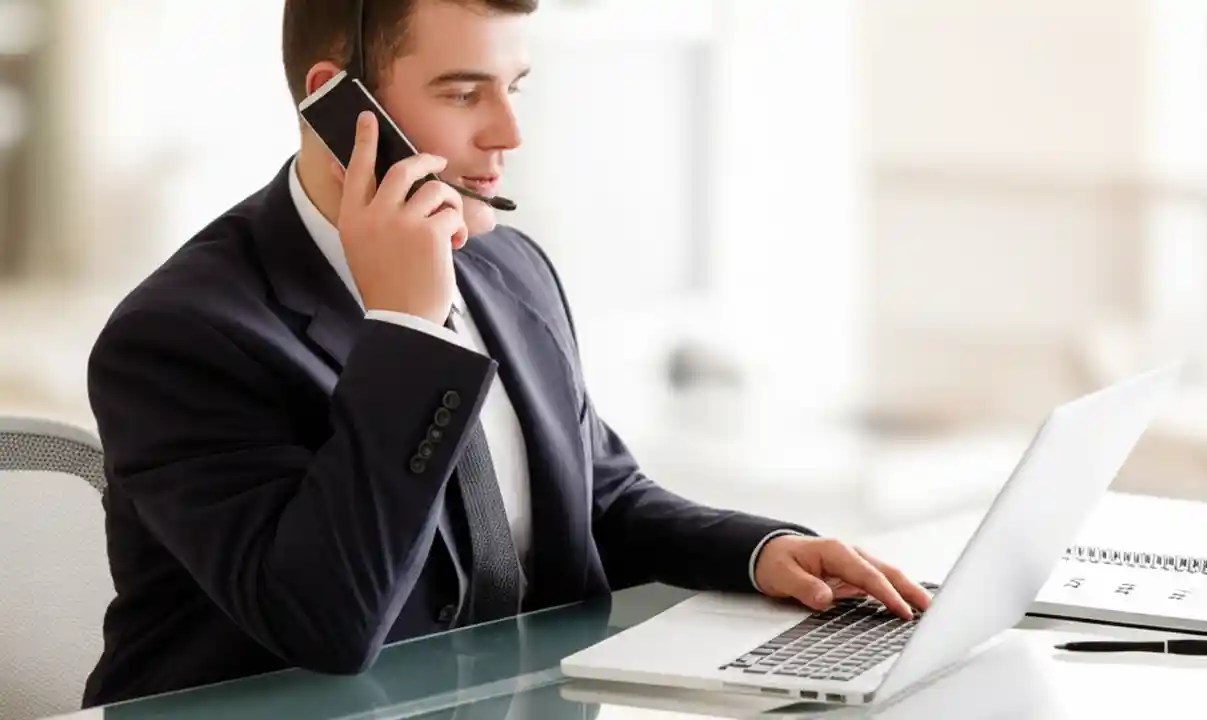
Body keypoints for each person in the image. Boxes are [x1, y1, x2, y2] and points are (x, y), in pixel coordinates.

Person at [81, 0, 930, 707]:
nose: (509, 132)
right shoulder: (180, 338)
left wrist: (760, 553)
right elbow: (325, 623)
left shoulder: (508, 268)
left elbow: (598, 495)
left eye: (514, 87)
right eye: (464, 93)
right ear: (337, 102)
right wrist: (408, 332)